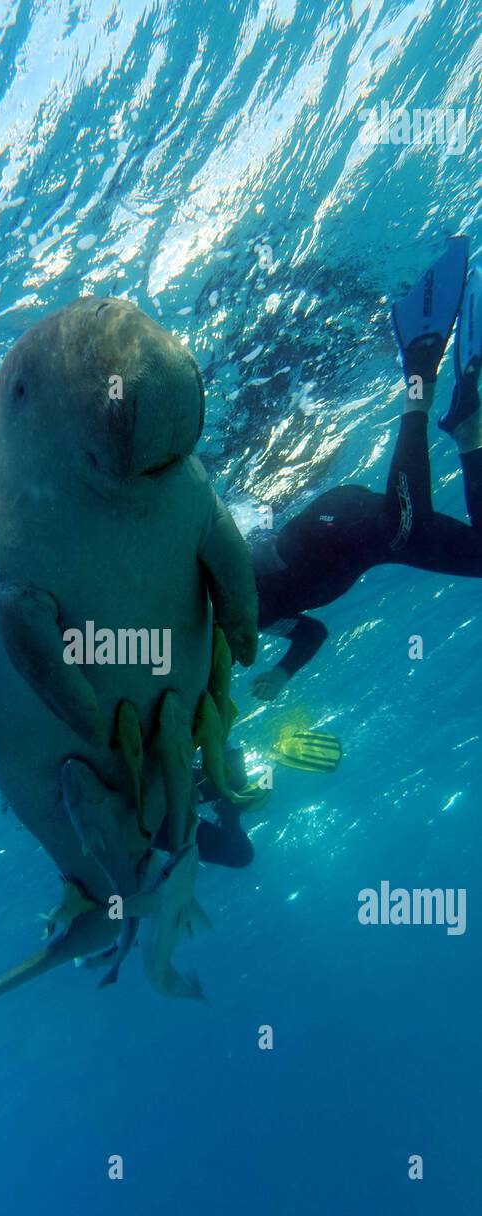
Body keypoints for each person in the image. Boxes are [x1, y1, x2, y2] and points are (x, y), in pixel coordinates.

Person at [196, 236, 482, 867]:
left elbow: (235, 540)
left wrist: (248, 546)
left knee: (403, 528)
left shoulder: (224, 586)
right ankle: (467, 431)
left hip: (339, 521)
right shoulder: (259, 622)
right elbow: (315, 632)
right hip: (372, 544)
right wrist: (280, 672)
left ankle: (420, 375)